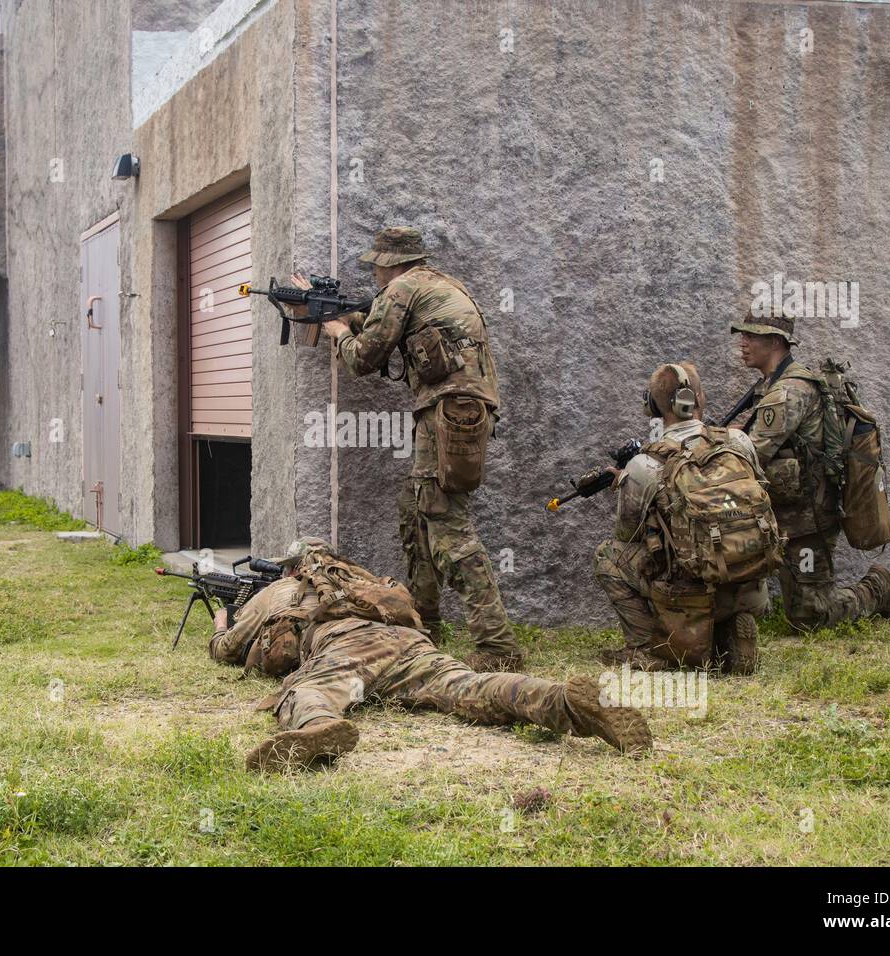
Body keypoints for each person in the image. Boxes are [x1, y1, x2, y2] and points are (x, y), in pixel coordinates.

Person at [286, 227, 523, 671]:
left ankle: (498, 647)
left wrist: (335, 328)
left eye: (376, 265)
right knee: (415, 514)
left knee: (446, 523)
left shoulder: (401, 288)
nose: (374, 273)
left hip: (450, 413)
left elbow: (363, 358)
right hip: (454, 411)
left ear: (389, 263)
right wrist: (333, 315)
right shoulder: (434, 284)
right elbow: (381, 328)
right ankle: (424, 624)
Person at [210, 538, 652, 773]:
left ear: (291, 568)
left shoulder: (285, 589)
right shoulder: (359, 581)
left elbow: (230, 650)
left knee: (310, 692)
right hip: (409, 645)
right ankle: (564, 700)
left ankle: (318, 730)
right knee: (471, 688)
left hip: (346, 646)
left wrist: (220, 625)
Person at [594, 362, 775, 673]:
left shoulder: (644, 464)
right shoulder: (737, 442)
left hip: (690, 594)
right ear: (699, 399)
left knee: (607, 556)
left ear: (652, 406)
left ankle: (647, 648)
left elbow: (627, 534)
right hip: (747, 581)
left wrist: (626, 485)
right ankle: (729, 627)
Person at [730, 313, 890, 628]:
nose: (743, 342)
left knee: (811, 617)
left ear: (775, 342)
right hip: (776, 513)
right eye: (742, 335)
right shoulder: (768, 386)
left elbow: (752, 453)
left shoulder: (790, 390)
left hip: (806, 519)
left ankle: (877, 590)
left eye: (751, 336)